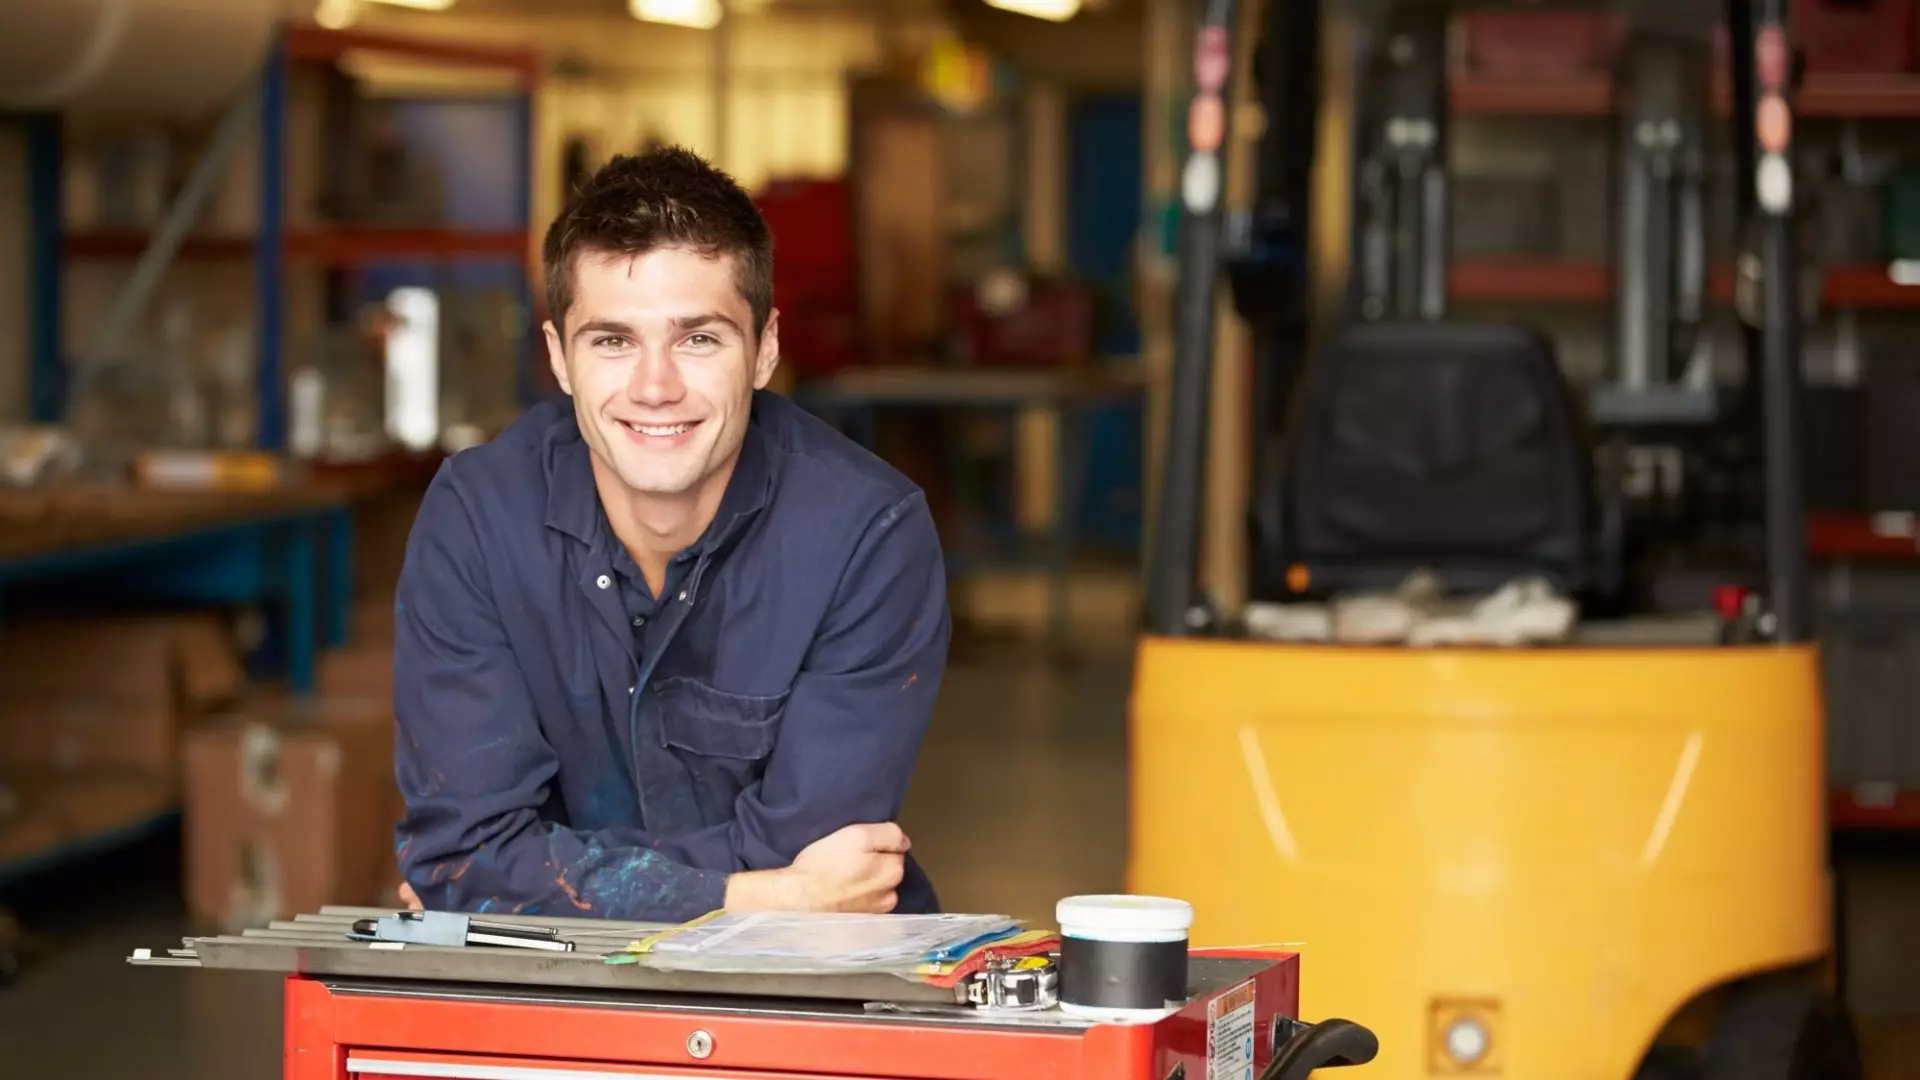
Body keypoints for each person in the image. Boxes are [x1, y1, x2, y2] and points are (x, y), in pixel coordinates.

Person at [389, 146, 949, 922]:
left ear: (767, 349)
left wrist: (523, 876)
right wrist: (757, 894)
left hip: (804, 988)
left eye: (699, 339)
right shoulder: (480, 519)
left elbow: (829, 860)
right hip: (553, 992)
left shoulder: (866, 534)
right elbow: (461, 853)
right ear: (558, 357)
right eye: (613, 341)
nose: (656, 387)